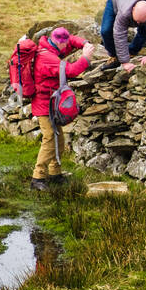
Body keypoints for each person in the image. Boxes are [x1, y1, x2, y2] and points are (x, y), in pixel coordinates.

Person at [30, 27, 94, 190]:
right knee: (50, 138)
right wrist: (85, 58)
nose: (67, 48)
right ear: (58, 41)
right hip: (44, 104)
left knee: (59, 138)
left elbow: (71, 39)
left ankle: (55, 173)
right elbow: (71, 71)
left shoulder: (50, 45)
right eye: (64, 45)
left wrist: (84, 43)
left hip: (50, 103)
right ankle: (38, 178)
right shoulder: (48, 58)